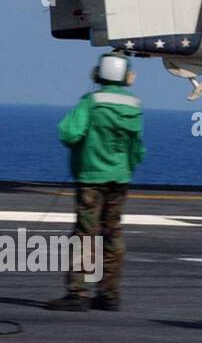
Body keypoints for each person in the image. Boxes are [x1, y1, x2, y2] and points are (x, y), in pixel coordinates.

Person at [47, 53, 145, 312]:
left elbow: (69, 133)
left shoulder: (91, 102)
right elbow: (138, 149)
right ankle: (109, 294)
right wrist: (125, 168)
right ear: (126, 77)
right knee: (112, 234)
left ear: (98, 74)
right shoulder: (134, 105)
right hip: (120, 178)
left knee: (85, 235)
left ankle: (78, 293)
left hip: (91, 178)